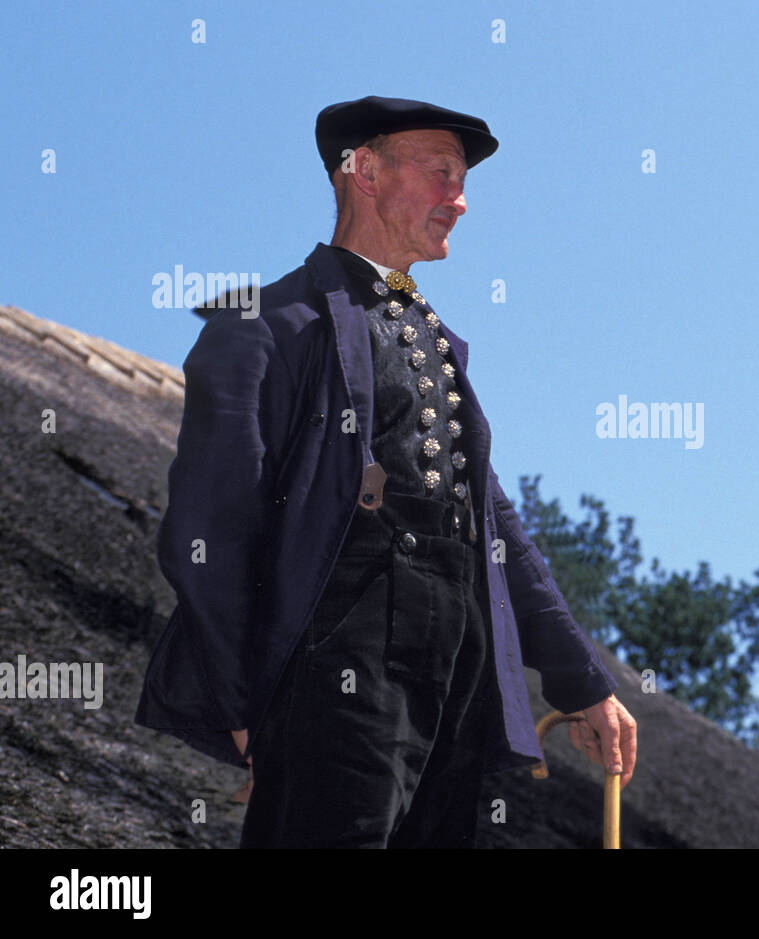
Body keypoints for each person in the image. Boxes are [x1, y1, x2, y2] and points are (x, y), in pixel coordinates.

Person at [135, 95, 636, 848]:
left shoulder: (439, 343)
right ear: (363, 170)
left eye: (462, 182)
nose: (460, 201)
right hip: (338, 674)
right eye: (441, 174)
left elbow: (495, 528)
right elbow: (208, 530)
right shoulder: (265, 325)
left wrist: (583, 680)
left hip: (456, 684)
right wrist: (248, 700)